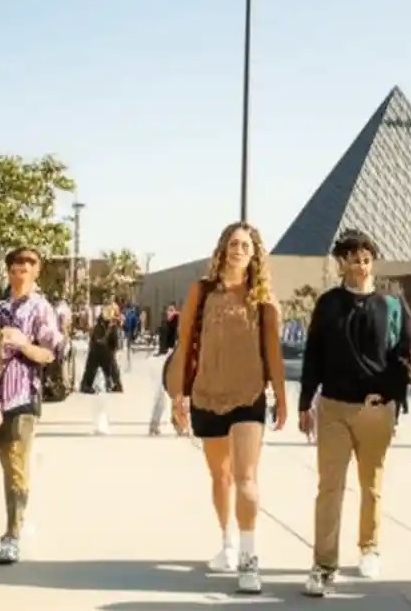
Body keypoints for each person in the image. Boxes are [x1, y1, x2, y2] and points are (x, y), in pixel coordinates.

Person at [166, 222, 287, 594]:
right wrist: (177, 396)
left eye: (245, 246)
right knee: (221, 476)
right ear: (222, 249)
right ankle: (228, 544)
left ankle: (250, 559)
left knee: (247, 476)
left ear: (255, 254)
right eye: (233, 243)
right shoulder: (200, 292)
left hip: (249, 396)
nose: (238, 250)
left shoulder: (263, 298)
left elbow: (274, 353)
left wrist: (281, 397)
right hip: (206, 395)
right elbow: (184, 344)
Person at [299, 229, 411, 597]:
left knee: (372, 486)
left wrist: (394, 400)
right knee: (329, 488)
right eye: (353, 259)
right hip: (333, 406)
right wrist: (305, 403)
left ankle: (370, 547)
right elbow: (313, 355)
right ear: (342, 263)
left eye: (366, 258)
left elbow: (407, 351)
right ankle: (323, 564)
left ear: (373, 262)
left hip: (375, 409)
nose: (361, 265)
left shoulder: (392, 303)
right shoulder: (329, 304)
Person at [0, 247, 62, 565]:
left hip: (21, 397)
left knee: (15, 468)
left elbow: (48, 354)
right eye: (17, 262)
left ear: (37, 270)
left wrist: (22, 343)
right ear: (8, 269)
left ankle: (12, 533)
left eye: (29, 263)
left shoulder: (42, 308)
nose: (22, 267)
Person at [149, 302, 179, 436]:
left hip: (168, 358)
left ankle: (176, 423)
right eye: (169, 310)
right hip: (165, 359)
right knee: (162, 395)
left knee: (171, 395)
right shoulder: (167, 324)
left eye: (173, 310)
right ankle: (155, 424)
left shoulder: (172, 323)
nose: (171, 312)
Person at [80, 305, 122, 393]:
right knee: (92, 368)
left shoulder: (111, 325)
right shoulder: (100, 325)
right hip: (98, 351)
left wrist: (112, 351)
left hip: (104, 351)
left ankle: (115, 384)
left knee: (111, 368)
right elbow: (95, 338)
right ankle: (86, 385)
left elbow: (114, 342)